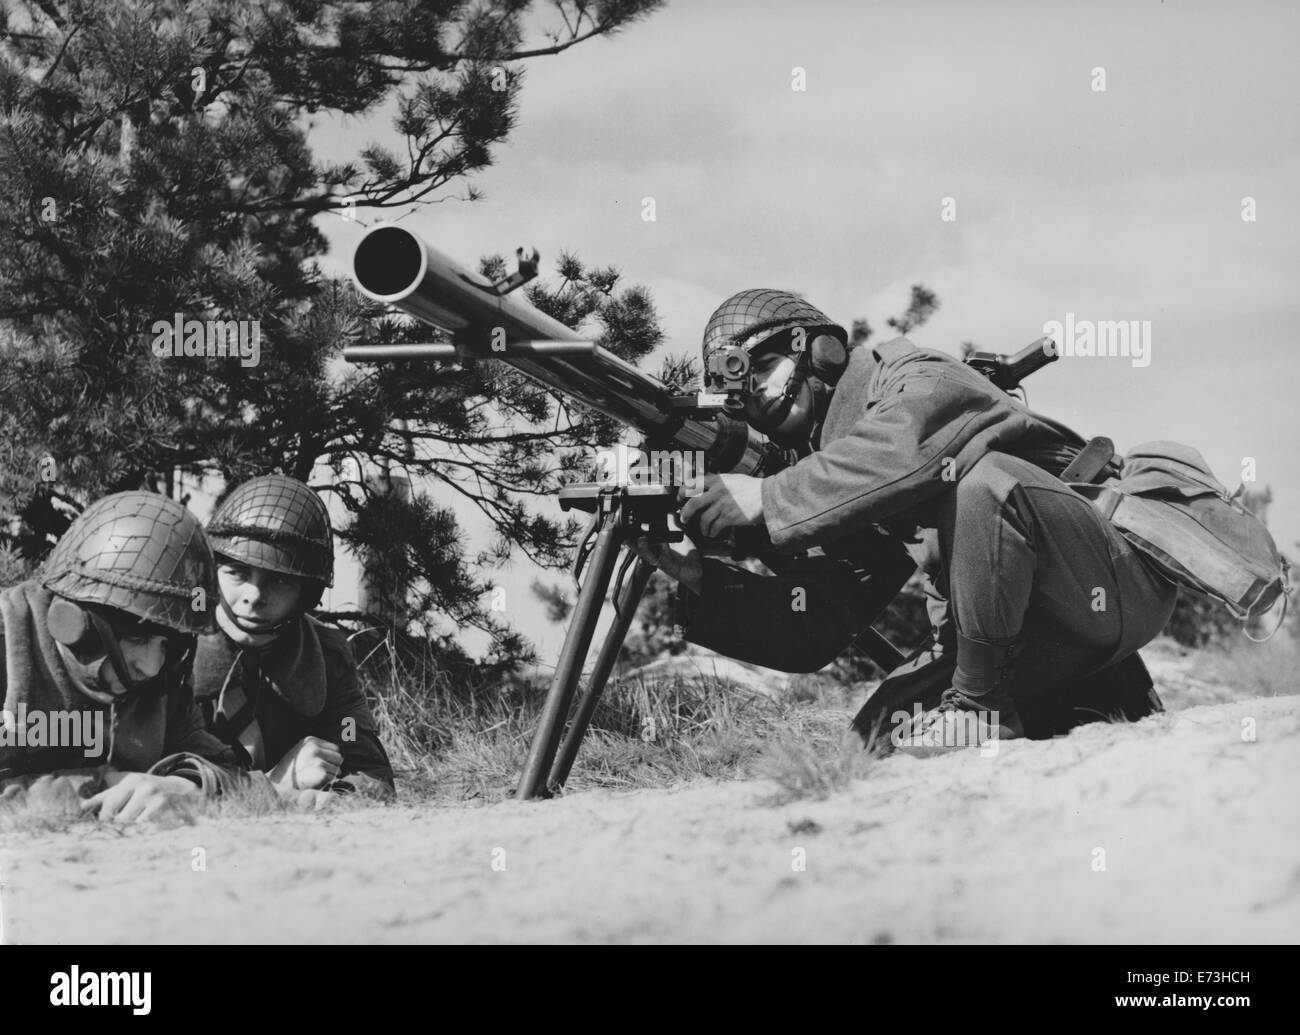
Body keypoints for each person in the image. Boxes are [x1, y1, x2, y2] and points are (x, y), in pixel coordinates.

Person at [643, 289, 1177, 752]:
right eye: (741, 391)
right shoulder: (840, 472)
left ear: (819, 349)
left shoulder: (916, 376)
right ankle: (1070, 701)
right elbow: (816, 623)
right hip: (1017, 636)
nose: (755, 396)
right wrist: (702, 581)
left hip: (1107, 583)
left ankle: (982, 708)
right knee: (870, 748)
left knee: (984, 484)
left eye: (761, 369)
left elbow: (905, 450)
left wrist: (770, 495)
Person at [1, 491, 247, 822]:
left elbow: (231, 772)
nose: (151, 665)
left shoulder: (162, 683)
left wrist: (185, 786)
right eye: (138, 637)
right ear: (74, 621)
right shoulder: (8, 645)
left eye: (166, 645)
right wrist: (99, 785)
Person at [192, 474, 395, 800]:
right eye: (237, 573)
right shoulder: (170, 649)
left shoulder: (327, 657)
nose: (254, 595)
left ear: (306, 594)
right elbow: (150, 783)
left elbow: (365, 766)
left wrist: (337, 798)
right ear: (212, 573)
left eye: (279, 581)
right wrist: (274, 789)